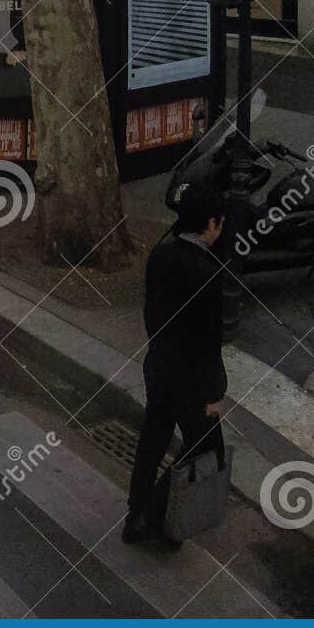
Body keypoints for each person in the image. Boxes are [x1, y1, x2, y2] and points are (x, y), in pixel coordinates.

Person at [124, 183, 228, 545]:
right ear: (212, 224)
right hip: (190, 380)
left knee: (153, 439)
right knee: (204, 446)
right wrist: (213, 394)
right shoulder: (207, 273)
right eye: (220, 222)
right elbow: (208, 342)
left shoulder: (161, 254)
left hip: (159, 365)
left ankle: (135, 513)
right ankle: (158, 515)